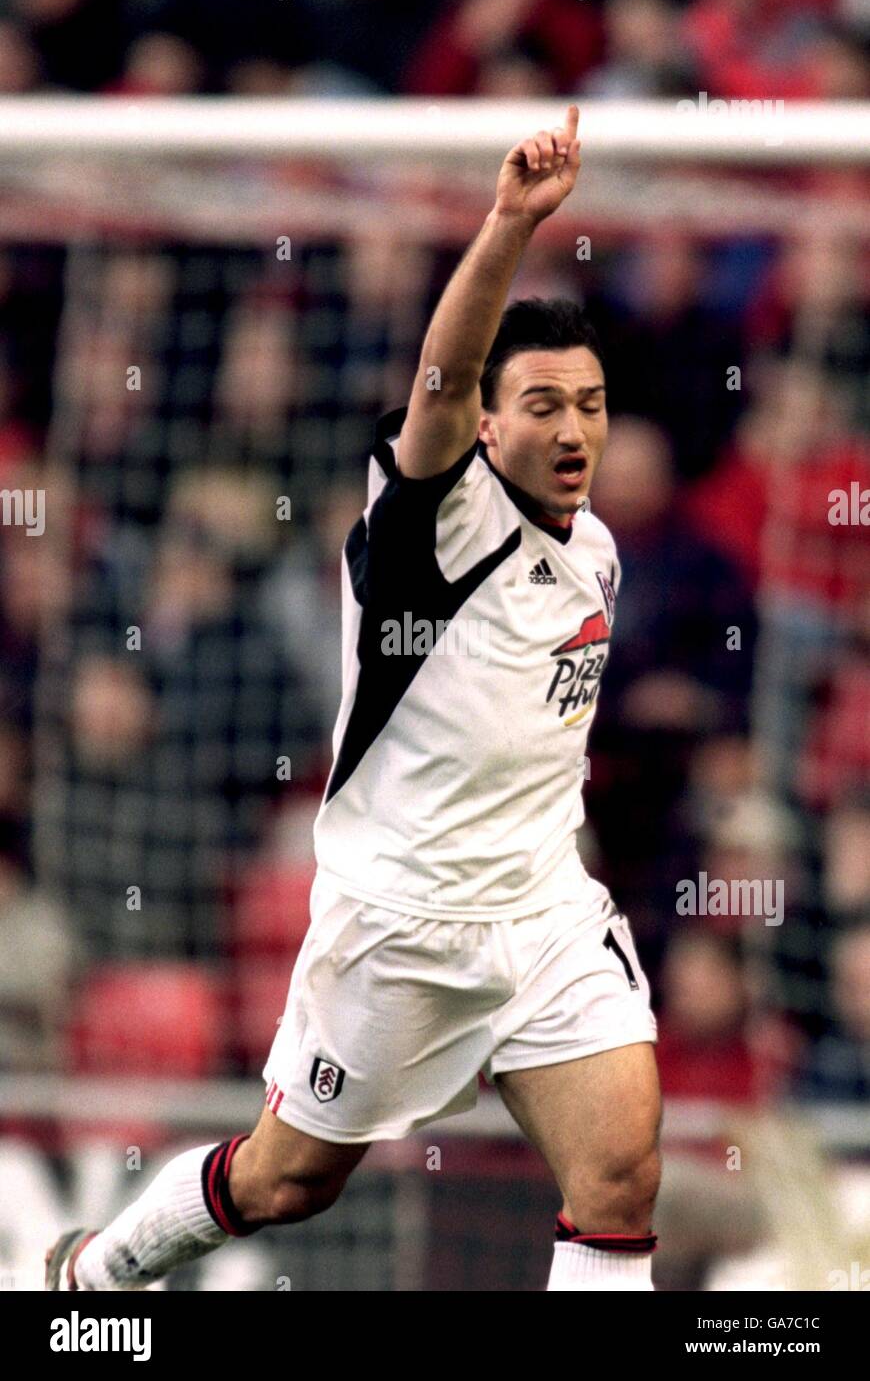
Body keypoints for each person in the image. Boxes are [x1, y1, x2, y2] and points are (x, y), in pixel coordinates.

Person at [46, 105, 662, 1294]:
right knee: (288, 1181)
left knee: (621, 1175)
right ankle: (103, 1265)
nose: (573, 427)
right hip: (399, 924)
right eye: (542, 404)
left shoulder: (599, 554)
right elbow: (437, 382)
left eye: (588, 403)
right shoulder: (434, 525)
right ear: (488, 425)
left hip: (542, 914)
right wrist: (509, 224)